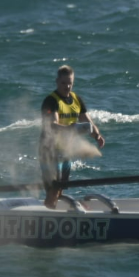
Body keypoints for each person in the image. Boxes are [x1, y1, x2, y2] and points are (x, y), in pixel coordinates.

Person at [39, 65, 105, 209]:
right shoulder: (51, 101)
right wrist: (69, 129)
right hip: (49, 151)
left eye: (70, 83)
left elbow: (88, 122)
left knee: (62, 187)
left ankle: (53, 211)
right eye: (63, 83)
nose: (67, 86)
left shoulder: (76, 100)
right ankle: (48, 215)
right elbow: (53, 125)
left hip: (65, 152)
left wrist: (97, 135)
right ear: (57, 82)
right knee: (53, 190)